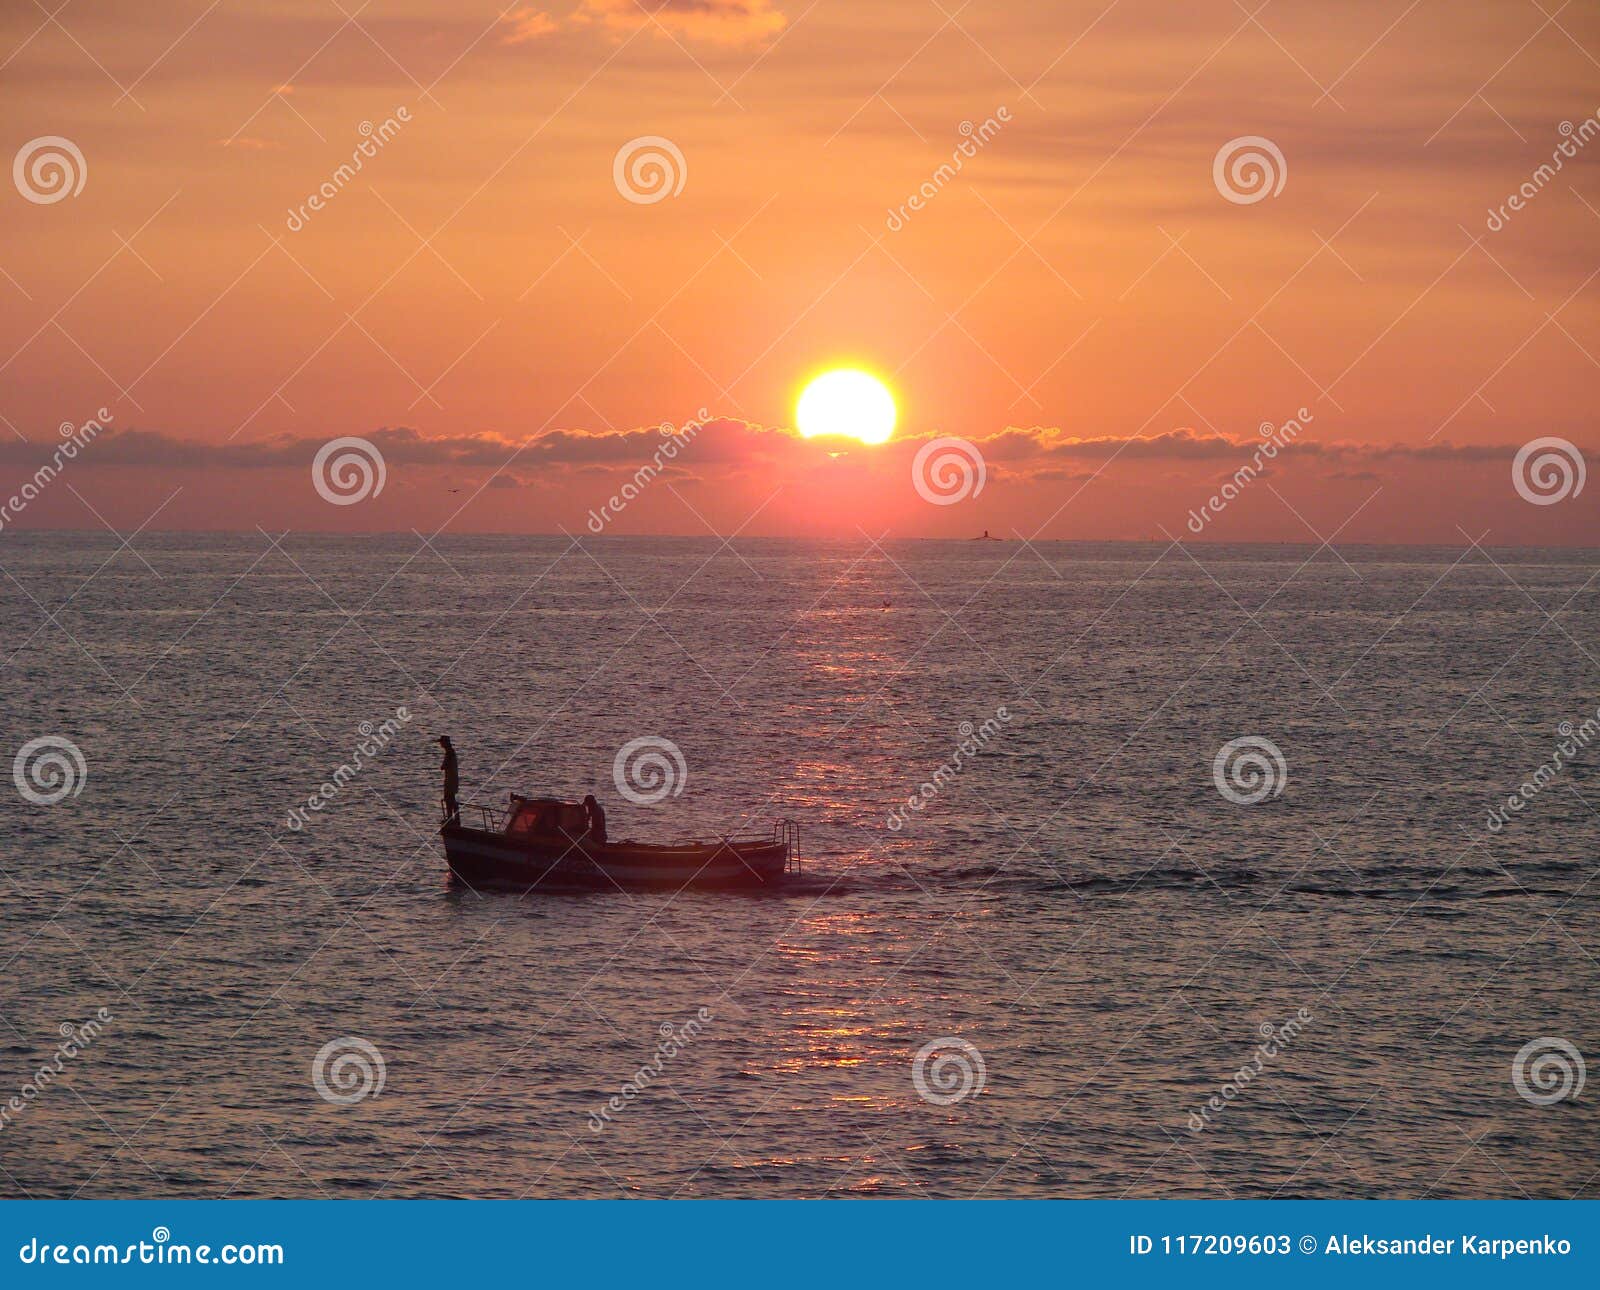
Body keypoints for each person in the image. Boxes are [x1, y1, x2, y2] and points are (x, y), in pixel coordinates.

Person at [438, 736, 460, 826]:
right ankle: (454, 819)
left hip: (450, 780)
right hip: (452, 779)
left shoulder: (449, 753)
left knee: (449, 799)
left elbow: (444, 766)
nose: (440, 744)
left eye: (442, 742)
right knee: (451, 799)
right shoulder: (451, 752)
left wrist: (442, 766)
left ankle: (451, 819)